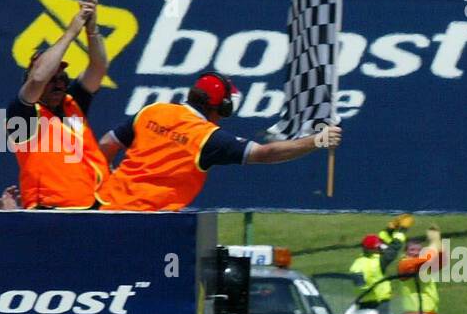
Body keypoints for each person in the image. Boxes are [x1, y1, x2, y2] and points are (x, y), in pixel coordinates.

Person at [96, 72, 340, 211]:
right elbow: (266, 153)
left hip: (105, 206)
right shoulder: (207, 137)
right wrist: (316, 141)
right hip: (147, 220)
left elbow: (108, 143)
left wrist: (106, 178)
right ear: (222, 106)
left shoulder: (153, 110)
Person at [5, 0, 108, 209]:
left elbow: (98, 68)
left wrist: (92, 30)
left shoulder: (72, 103)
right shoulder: (23, 114)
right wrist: (71, 32)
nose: (59, 84)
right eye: (53, 80)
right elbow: (39, 78)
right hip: (51, 211)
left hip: (93, 207)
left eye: (62, 79)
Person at [396, 227, 445, 314]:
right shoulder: (404, 264)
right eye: (412, 250)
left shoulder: (425, 265)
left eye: (419, 250)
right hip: (414, 313)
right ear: (405, 252)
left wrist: (438, 243)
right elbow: (424, 260)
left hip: (430, 312)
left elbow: (442, 261)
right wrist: (433, 246)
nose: (416, 252)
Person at [349, 234, 392, 314]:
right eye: (377, 247)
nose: (378, 249)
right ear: (370, 250)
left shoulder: (356, 264)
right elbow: (390, 252)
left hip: (362, 301)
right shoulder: (377, 262)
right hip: (379, 301)